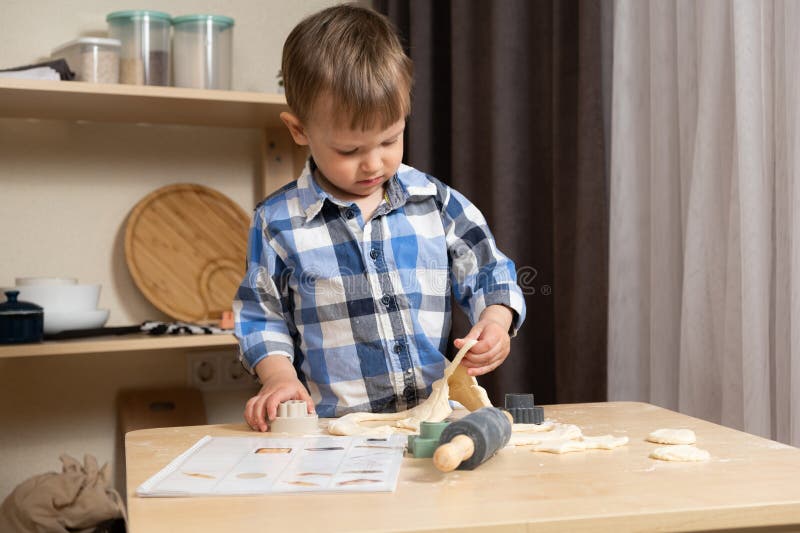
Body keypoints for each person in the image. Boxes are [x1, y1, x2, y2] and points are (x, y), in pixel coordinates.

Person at [234, 4, 526, 432]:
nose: (373, 163)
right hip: (336, 432)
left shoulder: (435, 202)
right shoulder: (276, 222)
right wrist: (279, 377)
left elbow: (489, 270)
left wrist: (495, 321)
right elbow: (262, 316)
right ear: (299, 131)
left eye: (390, 139)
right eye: (349, 151)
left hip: (435, 421)